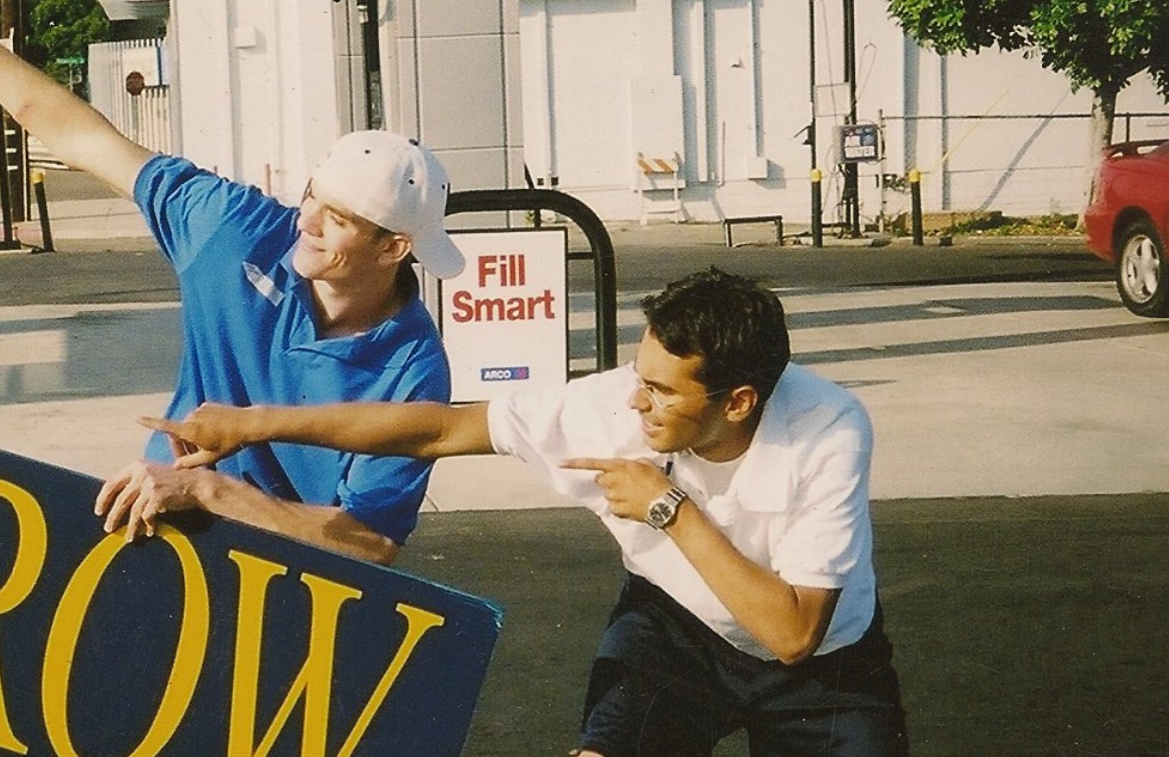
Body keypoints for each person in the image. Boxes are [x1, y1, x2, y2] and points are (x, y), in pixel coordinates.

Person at [0, 0, 463, 564]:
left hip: (298, 587)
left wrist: (211, 489)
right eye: (311, 196)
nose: (304, 221)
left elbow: (370, 544)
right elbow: (73, 130)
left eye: (335, 219)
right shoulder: (236, 230)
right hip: (160, 541)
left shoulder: (413, 369)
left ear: (393, 248)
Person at [137, 268, 909, 755]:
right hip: (673, 629)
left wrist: (669, 509)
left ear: (739, 402)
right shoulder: (613, 403)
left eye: (664, 391)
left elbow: (793, 632)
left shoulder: (829, 430)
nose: (636, 400)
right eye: (639, 375)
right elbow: (439, 427)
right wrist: (254, 422)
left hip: (825, 667)